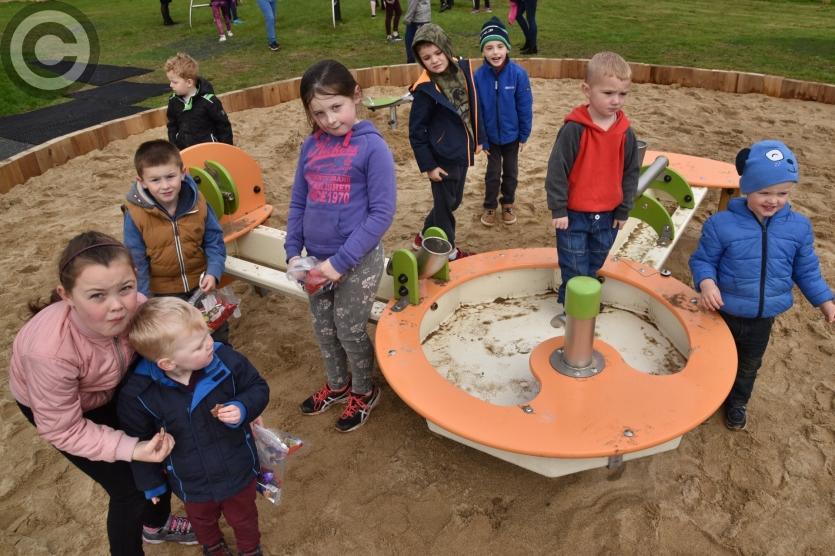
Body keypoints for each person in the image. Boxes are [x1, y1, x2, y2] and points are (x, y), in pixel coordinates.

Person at [8, 231, 195, 555]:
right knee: (129, 489)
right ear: (66, 296)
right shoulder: (49, 353)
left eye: (125, 288)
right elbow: (62, 428)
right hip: (65, 410)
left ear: (136, 279)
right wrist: (130, 448)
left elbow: (172, 348)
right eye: (97, 296)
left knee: (158, 458)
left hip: (113, 384)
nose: (117, 307)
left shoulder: (138, 306)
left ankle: (156, 524)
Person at [689, 140, 835, 431]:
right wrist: (707, 284)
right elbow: (702, 261)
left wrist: (825, 302)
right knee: (714, 360)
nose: (773, 200)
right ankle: (707, 400)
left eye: (782, 193)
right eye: (764, 192)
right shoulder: (721, 224)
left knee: (748, 366)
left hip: (761, 318)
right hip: (723, 311)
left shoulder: (798, 228)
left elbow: (806, 270)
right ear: (747, 189)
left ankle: (737, 403)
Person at [286, 60, 397, 432]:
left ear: (356, 96)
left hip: (357, 261)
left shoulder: (372, 148)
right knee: (324, 329)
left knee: (349, 329)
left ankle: (364, 391)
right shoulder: (311, 147)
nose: (330, 120)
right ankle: (337, 386)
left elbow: (382, 214)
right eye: (319, 113)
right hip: (316, 262)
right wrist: (292, 252)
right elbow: (299, 202)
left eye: (337, 107)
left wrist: (340, 263)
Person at [118, 297, 270, 556]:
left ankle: (249, 549)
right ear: (167, 363)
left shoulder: (225, 359)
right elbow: (140, 441)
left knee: (244, 517)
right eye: (199, 345)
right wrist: (151, 482)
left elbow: (257, 387)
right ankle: (213, 547)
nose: (210, 343)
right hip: (190, 481)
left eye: (206, 334)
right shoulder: (140, 394)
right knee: (202, 521)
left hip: (238, 467)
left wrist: (244, 407)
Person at [544, 51, 640, 325]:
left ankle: (583, 297)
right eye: (608, 93)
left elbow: (630, 173)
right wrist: (558, 208)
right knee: (573, 266)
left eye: (623, 94)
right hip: (573, 215)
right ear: (587, 90)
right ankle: (573, 312)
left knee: (595, 261)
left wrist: (624, 209)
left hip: (608, 216)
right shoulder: (575, 129)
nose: (615, 101)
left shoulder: (625, 133)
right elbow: (557, 170)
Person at [122, 139, 228, 342]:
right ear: (142, 181)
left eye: (170, 177)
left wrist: (214, 272)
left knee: (218, 330)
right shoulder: (135, 214)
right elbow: (136, 261)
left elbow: (214, 239)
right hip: (165, 292)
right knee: (180, 339)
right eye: (155, 180)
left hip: (202, 283)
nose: (165, 186)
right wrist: (144, 299)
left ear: (183, 172)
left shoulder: (198, 202)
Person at [408, 23, 485, 260]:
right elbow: (416, 131)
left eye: (438, 53)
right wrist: (429, 165)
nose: (435, 60)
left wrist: (479, 138)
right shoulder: (425, 90)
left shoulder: (461, 69)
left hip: (461, 150)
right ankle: (448, 252)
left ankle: (423, 235)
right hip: (441, 157)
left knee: (453, 200)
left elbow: (473, 104)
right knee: (444, 207)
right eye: (427, 58)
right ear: (421, 61)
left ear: (446, 48)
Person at [474, 16, 533, 227]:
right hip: (491, 138)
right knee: (492, 174)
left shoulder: (518, 75)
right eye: (489, 48)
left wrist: (524, 134)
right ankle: (490, 206)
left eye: (500, 46)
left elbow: (525, 106)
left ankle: (507, 203)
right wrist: (481, 138)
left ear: (507, 48)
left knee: (511, 172)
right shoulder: (478, 76)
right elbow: (476, 111)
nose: (495, 52)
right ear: (483, 52)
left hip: (512, 136)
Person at [164, 53, 234, 150]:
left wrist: (227, 149)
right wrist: (174, 147)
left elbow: (223, 126)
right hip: (185, 149)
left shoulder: (209, 101)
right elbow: (172, 125)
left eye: (175, 82)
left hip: (209, 150)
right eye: (170, 81)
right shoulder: (173, 101)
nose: (171, 85)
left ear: (189, 82)